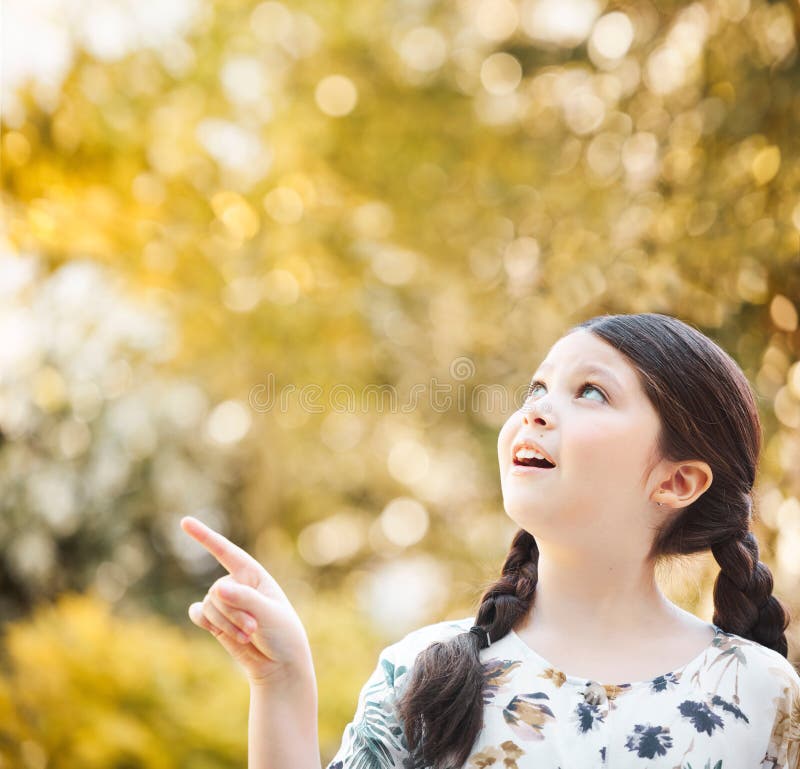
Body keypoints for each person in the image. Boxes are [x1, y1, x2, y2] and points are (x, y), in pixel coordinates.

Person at [180, 312, 800, 769]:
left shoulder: (761, 692)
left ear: (676, 480)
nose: (535, 410)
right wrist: (283, 682)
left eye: (591, 391)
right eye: (537, 389)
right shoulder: (424, 675)